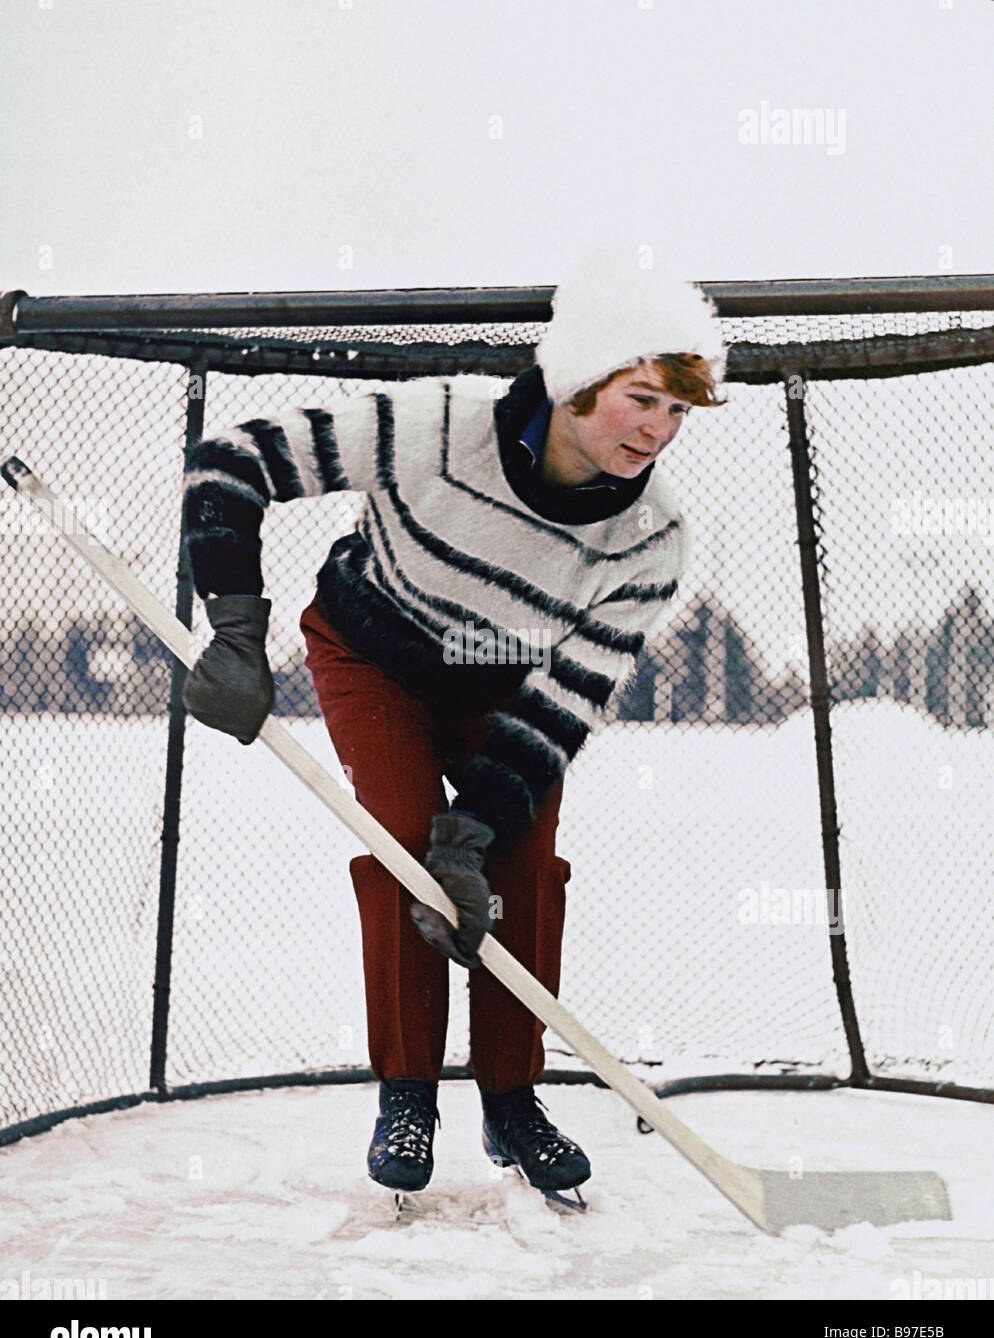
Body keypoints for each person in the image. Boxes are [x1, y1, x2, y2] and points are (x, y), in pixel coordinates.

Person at [180, 249, 726, 1199]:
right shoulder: (437, 426)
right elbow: (233, 462)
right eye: (643, 397)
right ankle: (408, 1093)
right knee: (399, 846)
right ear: (578, 379)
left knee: (520, 867)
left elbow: (563, 706)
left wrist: (473, 835)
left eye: (679, 410)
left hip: (507, 695)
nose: (660, 429)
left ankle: (513, 1099)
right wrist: (234, 628)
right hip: (373, 655)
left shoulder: (655, 540)